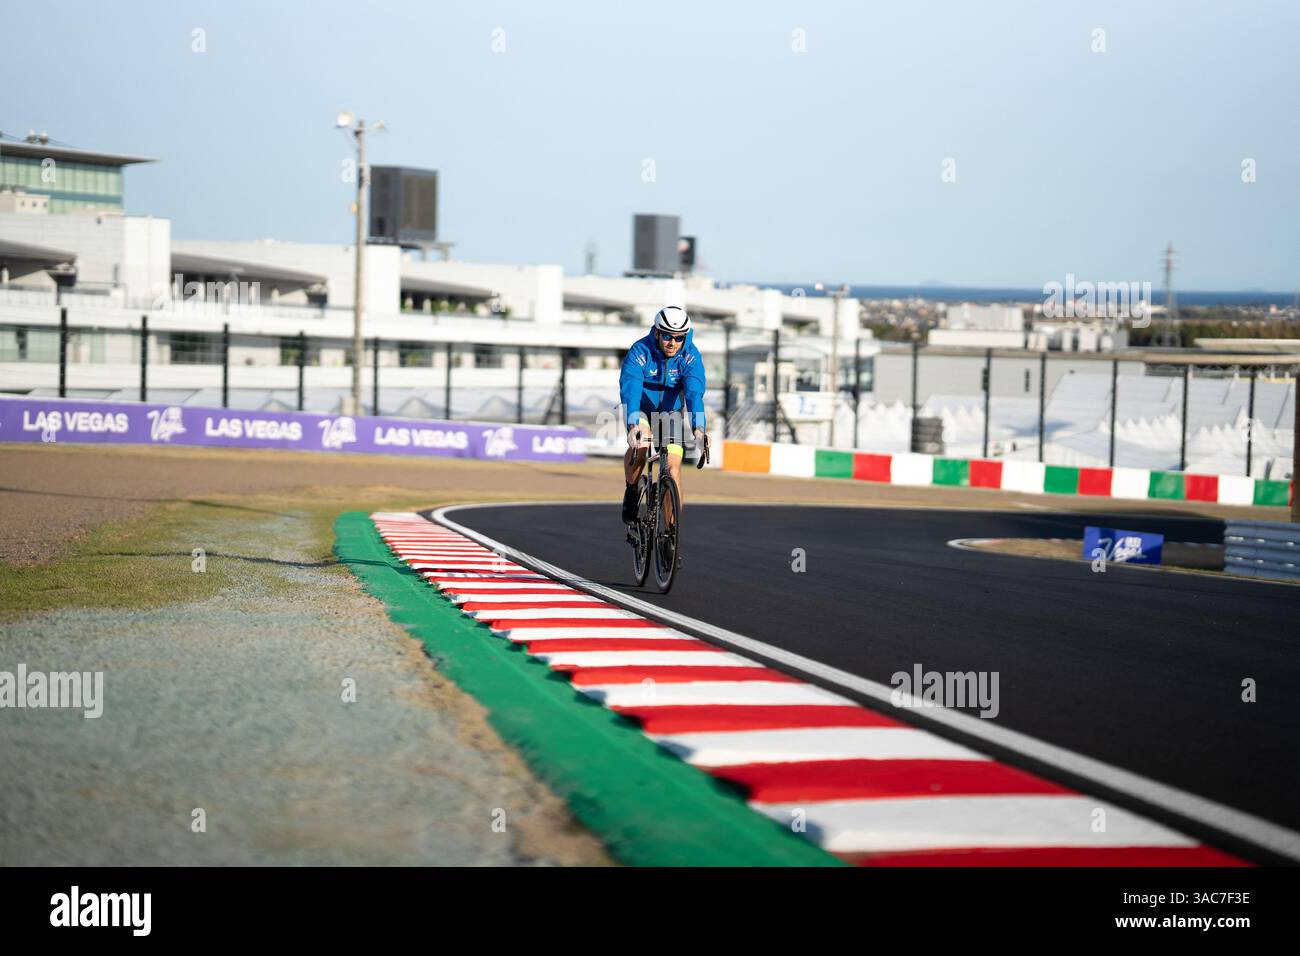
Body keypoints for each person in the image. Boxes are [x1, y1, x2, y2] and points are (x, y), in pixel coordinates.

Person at [619, 306, 707, 524]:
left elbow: (695, 393)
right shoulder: (640, 351)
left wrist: (699, 428)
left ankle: (669, 530)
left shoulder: (690, 355)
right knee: (641, 447)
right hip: (640, 408)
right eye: (667, 336)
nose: (672, 343)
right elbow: (631, 388)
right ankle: (631, 489)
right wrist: (633, 424)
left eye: (679, 338)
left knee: (674, 470)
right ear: (657, 332)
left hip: (670, 413)